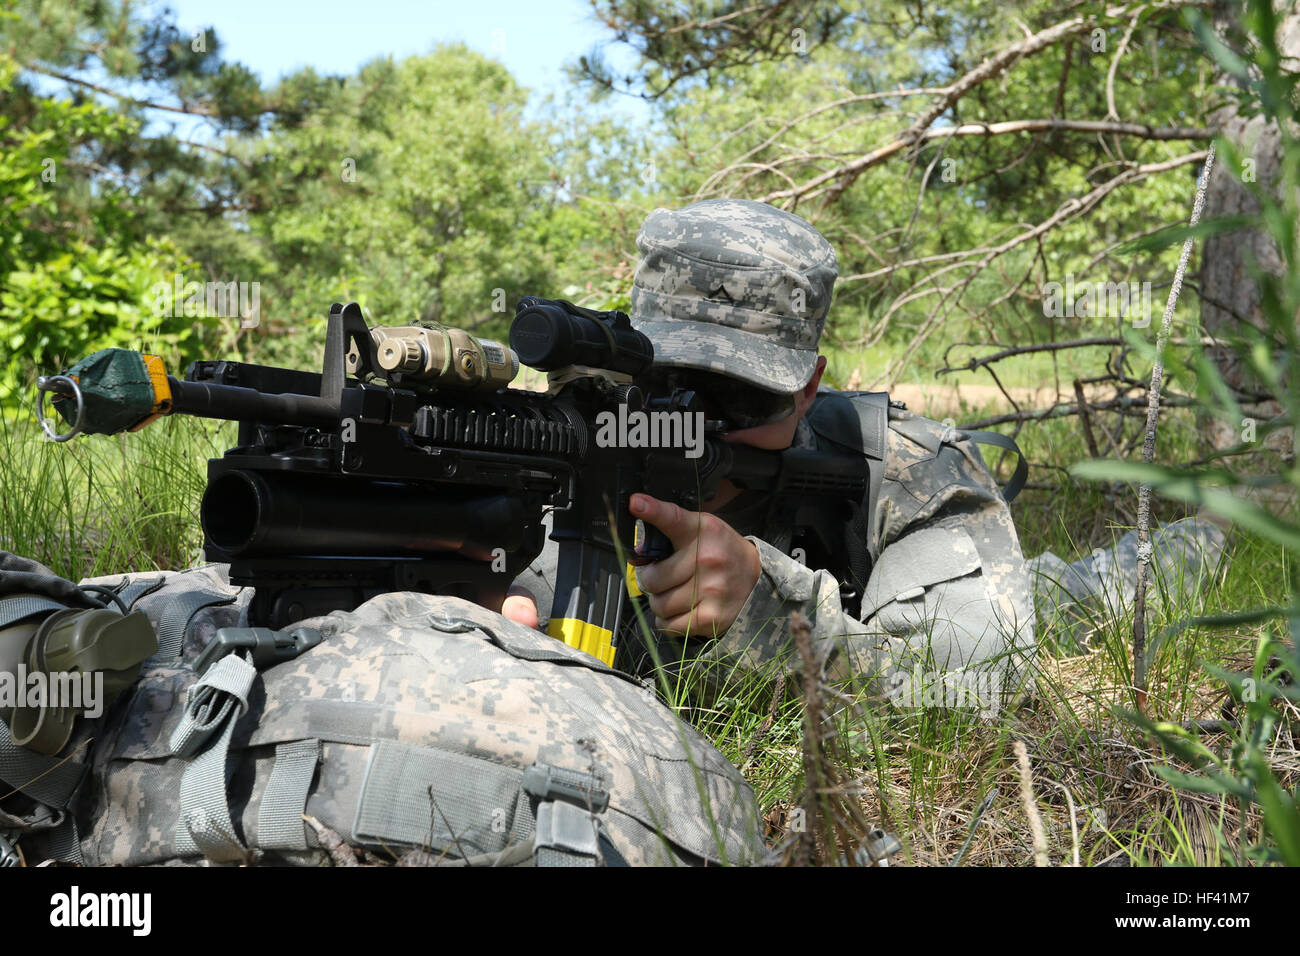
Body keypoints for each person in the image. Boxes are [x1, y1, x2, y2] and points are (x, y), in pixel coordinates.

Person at [502, 198, 1229, 710]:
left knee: (1080, 596)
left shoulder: (913, 470)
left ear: (808, 389)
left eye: (744, 399)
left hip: (918, 589)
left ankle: (1210, 535)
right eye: (671, 384)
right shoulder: (575, 442)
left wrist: (767, 614)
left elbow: (978, 689)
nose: (700, 425)